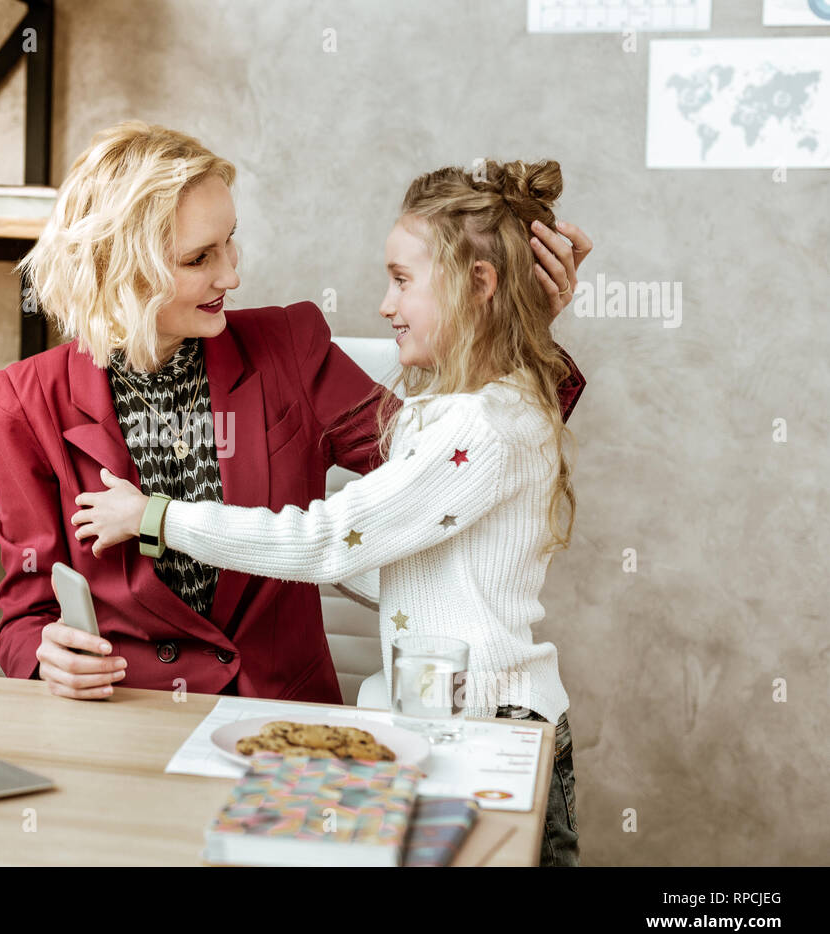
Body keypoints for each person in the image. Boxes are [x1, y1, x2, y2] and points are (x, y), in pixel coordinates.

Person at [71, 158, 583, 865]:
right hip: (431, 717)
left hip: (485, 728)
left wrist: (156, 517)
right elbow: (389, 557)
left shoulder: (477, 424)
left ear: (480, 286)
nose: (384, 305)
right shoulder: (467, 411)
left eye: (402, 281)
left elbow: (332, 540)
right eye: (201, 255)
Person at [0, 120, 590, 708]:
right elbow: (25, 618)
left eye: (230, 242)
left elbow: (438, 457)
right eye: (199, 259)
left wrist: (516, 326)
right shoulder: (24, 402)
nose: (232, 274)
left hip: (280, 720)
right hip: (126, 718)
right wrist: (43, 654)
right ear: (118, 267)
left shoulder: (288, 346)